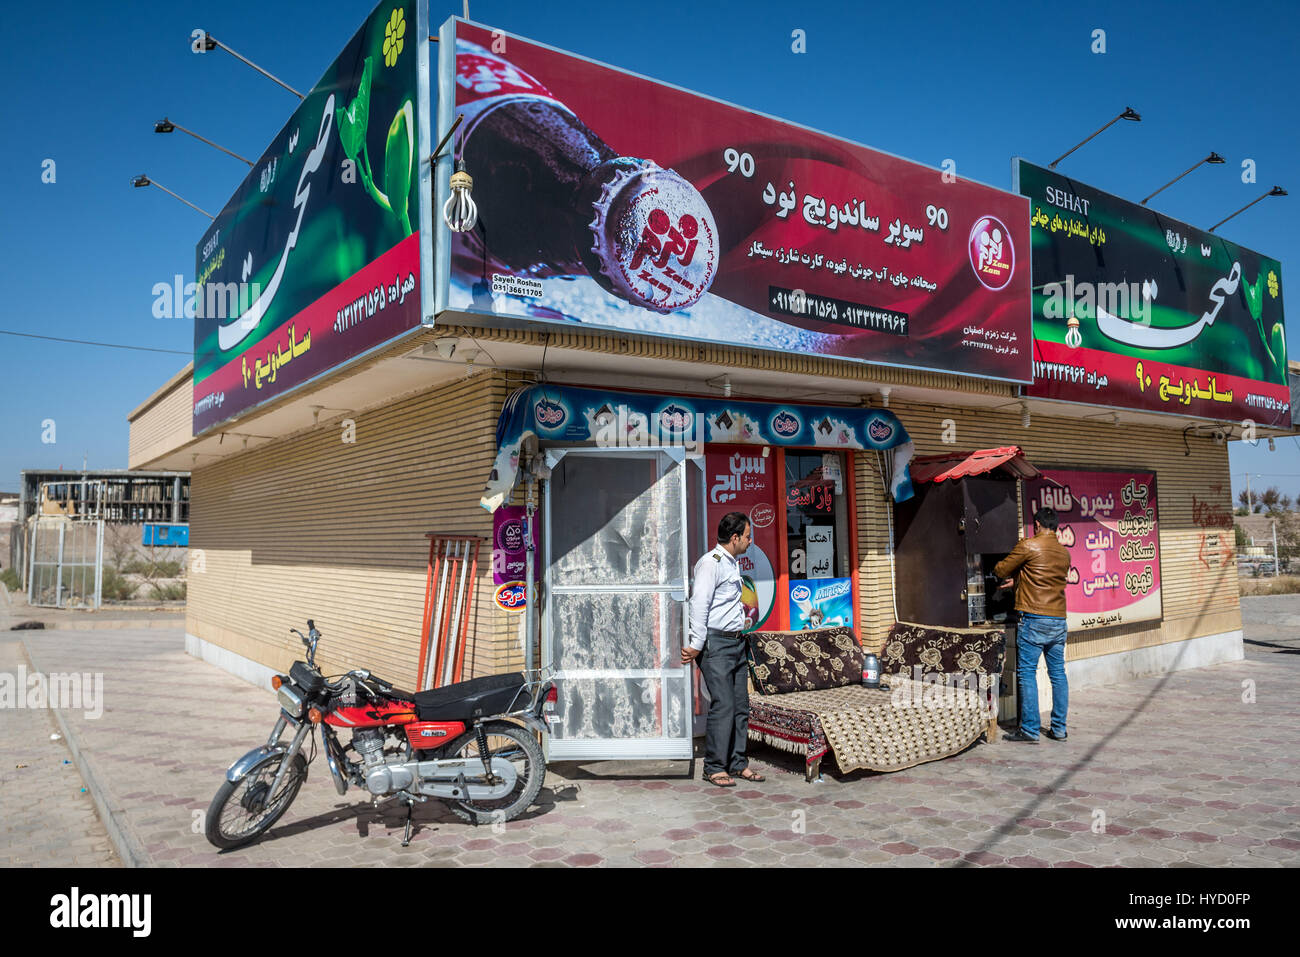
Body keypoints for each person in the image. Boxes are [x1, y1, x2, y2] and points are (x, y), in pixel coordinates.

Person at [682, 512, 765, 787]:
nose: (750, 541)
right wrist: (696, 645)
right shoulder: (711, 563)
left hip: (737, 641)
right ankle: (714, 766)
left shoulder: (732, 563)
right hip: (716, 644)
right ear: (735, 537)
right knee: (724, 704)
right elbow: (699, 604)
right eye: (748, 537)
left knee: (741, 705)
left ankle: (738, 763)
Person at [994, 506, 1071, 743]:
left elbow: (1001, 569)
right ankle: (1059, 729)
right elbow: (1045, 576)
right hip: (1058, 619)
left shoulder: (1028, 545)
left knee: (1027, 673)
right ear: (1056, 526)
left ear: (1036, 524)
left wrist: (1014, 575)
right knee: (1058, 673)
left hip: (1034, 619)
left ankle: (1029, 729)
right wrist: (1020, 579)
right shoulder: (1063, 552)